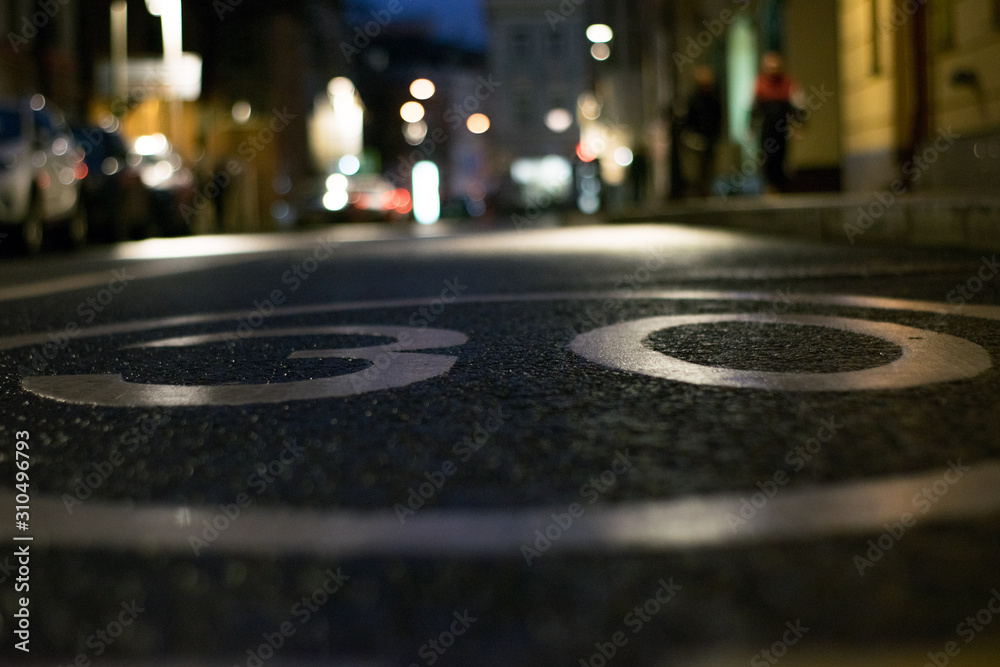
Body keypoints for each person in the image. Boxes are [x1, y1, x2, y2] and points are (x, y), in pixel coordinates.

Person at [751, 52, 803, 193]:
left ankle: (780, 185)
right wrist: (751, 127)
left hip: (782, 126)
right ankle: (770, 185)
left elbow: (797, 105)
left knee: (781, 154)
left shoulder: (788, 83)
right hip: (766, 126)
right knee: (767, 154)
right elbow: (754, 107)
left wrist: (799, 125)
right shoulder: (760, 83)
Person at [680, 65, 724, 197]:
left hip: (710, 137)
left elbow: (718, 118)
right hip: (696, 139)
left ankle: (706, 188)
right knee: (695, 166)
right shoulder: (694, 100)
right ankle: (695, 189)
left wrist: (716, 134)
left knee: (709, 165)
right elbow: (688, 119)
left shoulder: (714, 99)